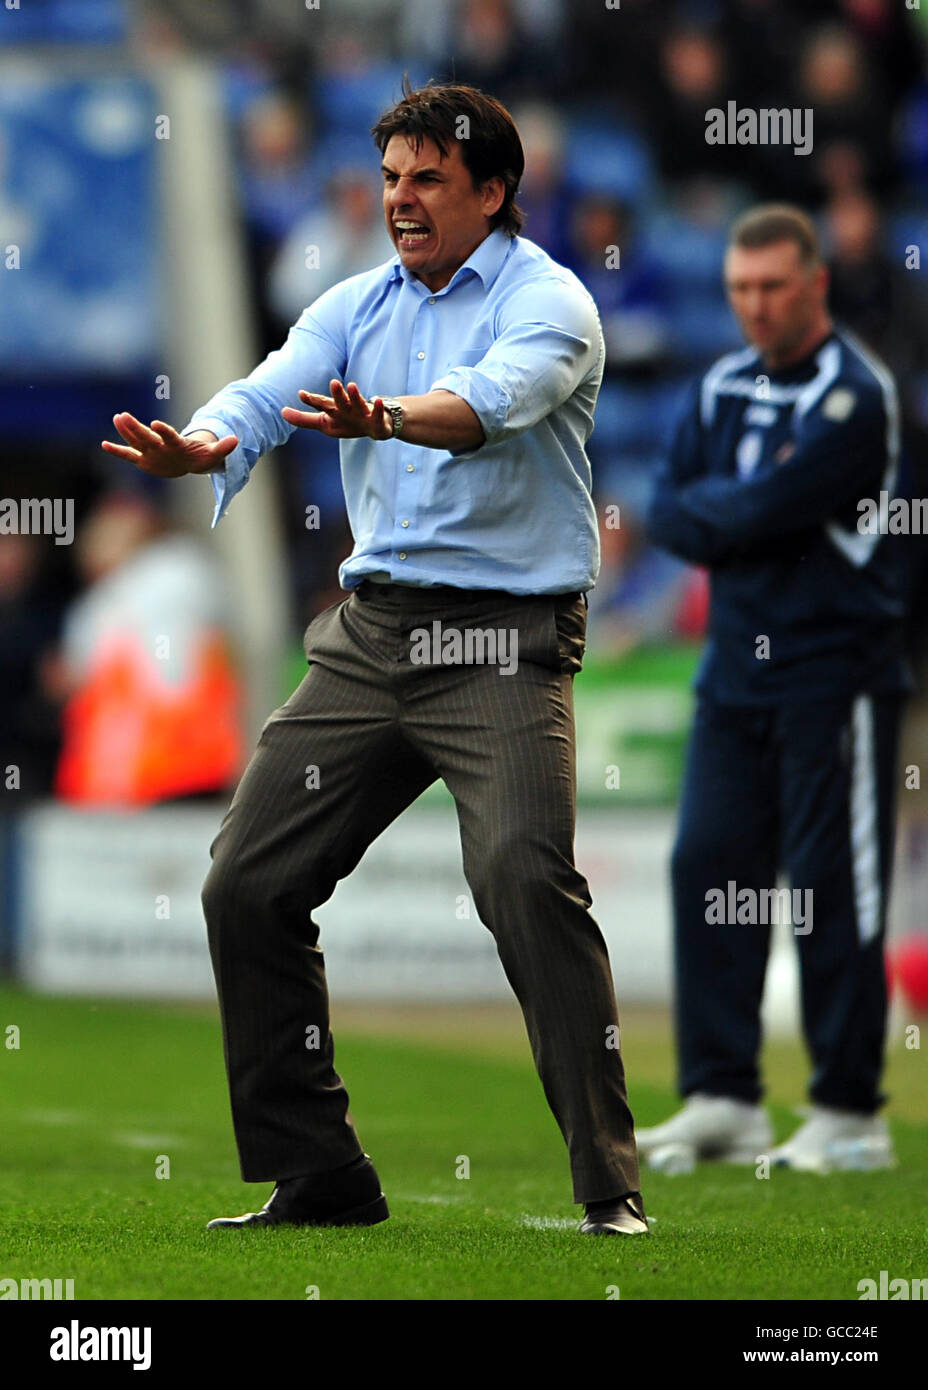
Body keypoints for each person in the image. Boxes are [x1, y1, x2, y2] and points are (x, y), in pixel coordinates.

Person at [102, 80, 647, 1236]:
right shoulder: (356, 298)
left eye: (426, 180)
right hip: (371, 636)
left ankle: (608, 1182)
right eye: (393, 177)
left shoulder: (552, 304)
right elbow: (266, 386)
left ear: (492, 193)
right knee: (245, 883)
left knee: (519, 876)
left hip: (501, 641)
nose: (400, 199)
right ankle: (322, 1175)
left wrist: (388, 418)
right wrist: (204, 442)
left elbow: (488, 404)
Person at [645, 204, 911, 1173]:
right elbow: (674, 516)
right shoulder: (717, 386)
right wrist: (731, 517)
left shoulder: (856, 394)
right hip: (732, 676)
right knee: (706, 868)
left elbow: (760, 507)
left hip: (832, 676)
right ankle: (724, 1095)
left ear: (814, 286)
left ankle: (850, 1111)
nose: (753, 307)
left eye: (771, 288)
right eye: (738, 290)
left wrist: (725, 516)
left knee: (832, 889)